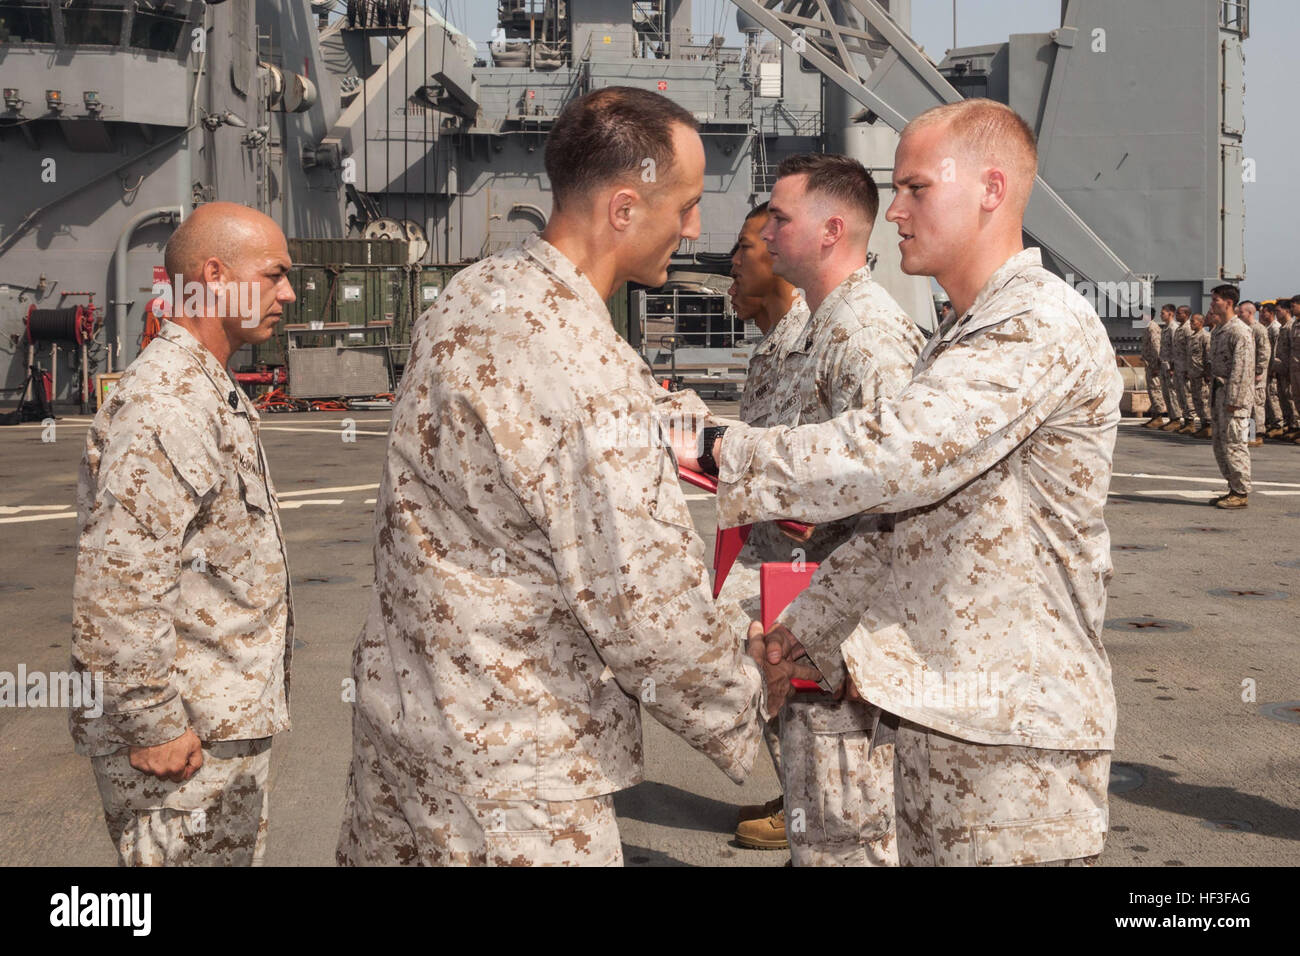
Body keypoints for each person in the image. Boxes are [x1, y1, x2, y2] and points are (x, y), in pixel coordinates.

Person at [336, 87, 812, 867]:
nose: (696, 227)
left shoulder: (467, 297)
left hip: (404, 736)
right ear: (624, 209)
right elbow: (645, 608)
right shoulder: (589, 365)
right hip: (520, 780)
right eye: (686, 204)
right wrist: (750, 684)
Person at [679, 98, 1122, 866]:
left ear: (990, 189)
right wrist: (801, 637)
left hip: (1013, 747)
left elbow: (892, 455)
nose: (896, 214)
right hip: (939, 721)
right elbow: (895, 532)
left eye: (916, 189)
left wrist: (720, 450)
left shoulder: (1037, 323)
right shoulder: (960, 336)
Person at [69, 202, 296, 866]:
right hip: (182, 746)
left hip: (216, 731)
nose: (287, 292)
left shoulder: (204, 388)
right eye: (274, 274)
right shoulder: (166, 402)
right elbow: (116, 586)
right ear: (216, 276)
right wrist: (152, 721)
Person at [723, 153, 924, 866]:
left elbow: (896, 506)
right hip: (806, 629)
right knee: (821, 837)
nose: (766, 233)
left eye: (780, 217)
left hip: (846, 651)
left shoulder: (864, 339)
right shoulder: (819, 328)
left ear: (832, 230)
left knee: (848, 841)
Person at [724, 201, 808, 852]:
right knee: (765, 674)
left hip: (803, 562)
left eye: (744, 249)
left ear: (778, 258)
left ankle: (812, 809)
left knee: (789, 681)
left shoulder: (815, 347)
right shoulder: (766, 355)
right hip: (764, 554)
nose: (732, 262)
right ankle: (801, 798)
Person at [1207, 285, 1253, 508]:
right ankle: (1232, 487)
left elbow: (1242, 369)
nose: (1212, 303)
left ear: (1228, 302)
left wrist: (1234, 401)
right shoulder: (1218, 330)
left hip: (1233, 399)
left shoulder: (1239, 331)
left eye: (1216, 299)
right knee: (1220, 444)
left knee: (1235, 443)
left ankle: (1241, 492)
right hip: (1219, 394)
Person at [1238, 301, 1269, 446]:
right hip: (1246, 374)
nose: (1239, 314)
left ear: (1250, 313)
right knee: (1247, 405)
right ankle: (1248, 434)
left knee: (1256, 405)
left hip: (1257, 375)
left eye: (1241, 312)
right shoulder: (1244, 329)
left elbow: (1264, 352)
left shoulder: (1259, 329)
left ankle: (1257, 434)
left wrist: (1259, 371)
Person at [1158, 305, 1185, 431]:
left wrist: (1173, 367)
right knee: (1166, 392)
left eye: (1163, 313)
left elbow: (1176, 348)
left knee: (1172, 392)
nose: (1161, 315)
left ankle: (1176, 418)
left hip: (1170, 364)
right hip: (1164, 363)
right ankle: (1171, 418)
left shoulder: (1173, 328)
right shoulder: (1165, 328)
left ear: (1171, 314)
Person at [1139, 308, 1167, 427]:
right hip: (1150, 364)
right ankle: (1155, 415)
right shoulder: (1148, 327)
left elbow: (1157, 347)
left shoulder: (1152, 327)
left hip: (1153, 365)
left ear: (1149, 316)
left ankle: (1159, 416)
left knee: (1156, 390)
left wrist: (1156, 365)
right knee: (1152, 390)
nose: (1140, 317)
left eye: (1143, 315)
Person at [1187, 312, 1212, 438]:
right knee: (1196, 400)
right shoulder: (1192, 337)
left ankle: (1208, 425)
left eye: (1193, 321)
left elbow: (1208, 357)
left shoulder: (1205, 336)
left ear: (1201, 322)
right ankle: (1202, 424)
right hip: (1194, 373)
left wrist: (1207, 373)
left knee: (1204, 400)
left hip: (1202, 374)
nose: (1191, 323)